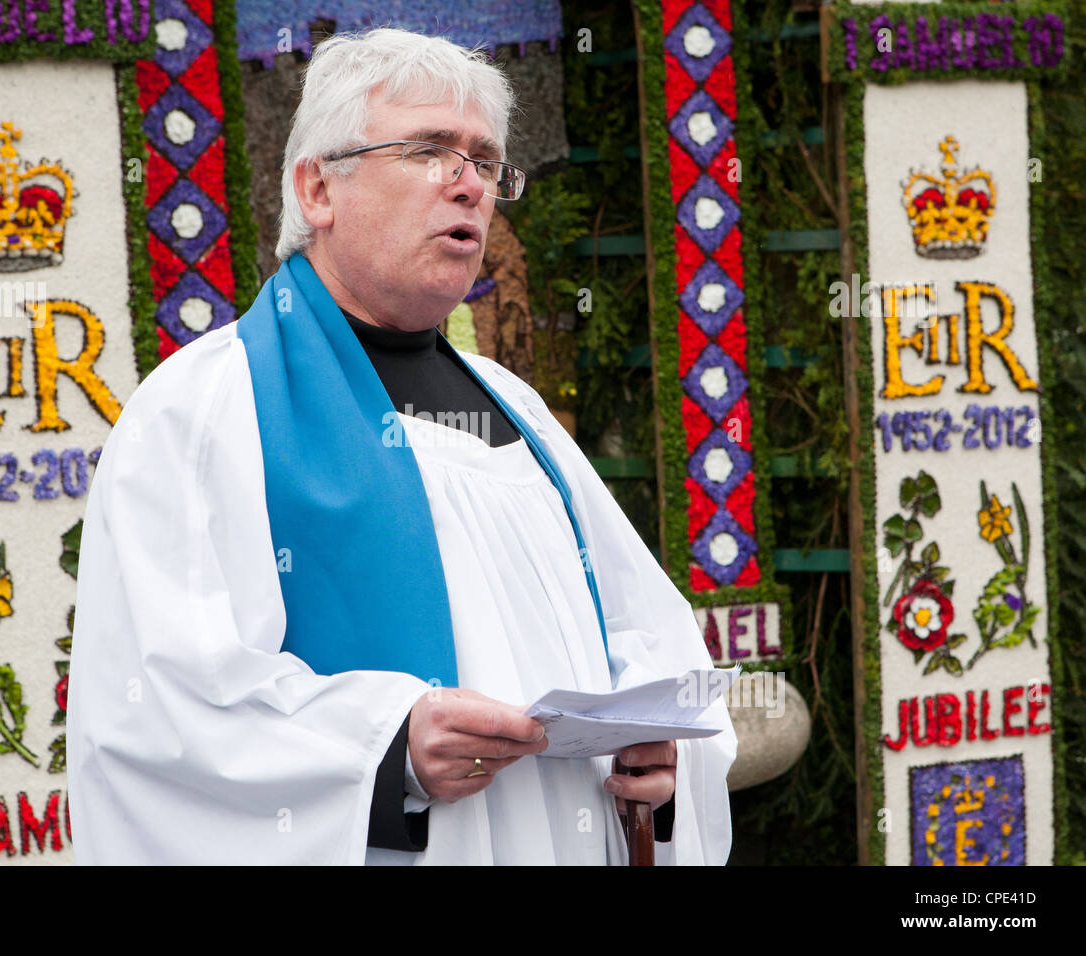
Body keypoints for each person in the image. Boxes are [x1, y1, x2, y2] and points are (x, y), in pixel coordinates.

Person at [67, 26, 736, 865]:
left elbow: (652, 640)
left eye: (486, 163)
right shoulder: (205, 407)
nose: (468, 186)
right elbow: (158, 712)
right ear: (317, 187)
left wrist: (661, 757)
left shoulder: (517, 410)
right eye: (428, 151)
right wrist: (389, 750)